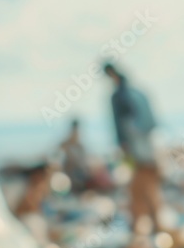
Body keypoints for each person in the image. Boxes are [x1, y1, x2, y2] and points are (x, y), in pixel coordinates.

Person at [103, 62, 163, 235]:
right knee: (148, 186)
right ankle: (154, 224)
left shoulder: (119, 96)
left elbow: (122, 125)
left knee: (137, 186)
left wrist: (124, 146)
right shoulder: (138, 93)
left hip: (137, 149)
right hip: (148, 147)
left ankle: (141, 225)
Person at [59, 118, 92, 193]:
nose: (76, 134)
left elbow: (83, 162)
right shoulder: (65, 146)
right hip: (71, 176)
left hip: (80, 175)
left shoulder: (80, 146)